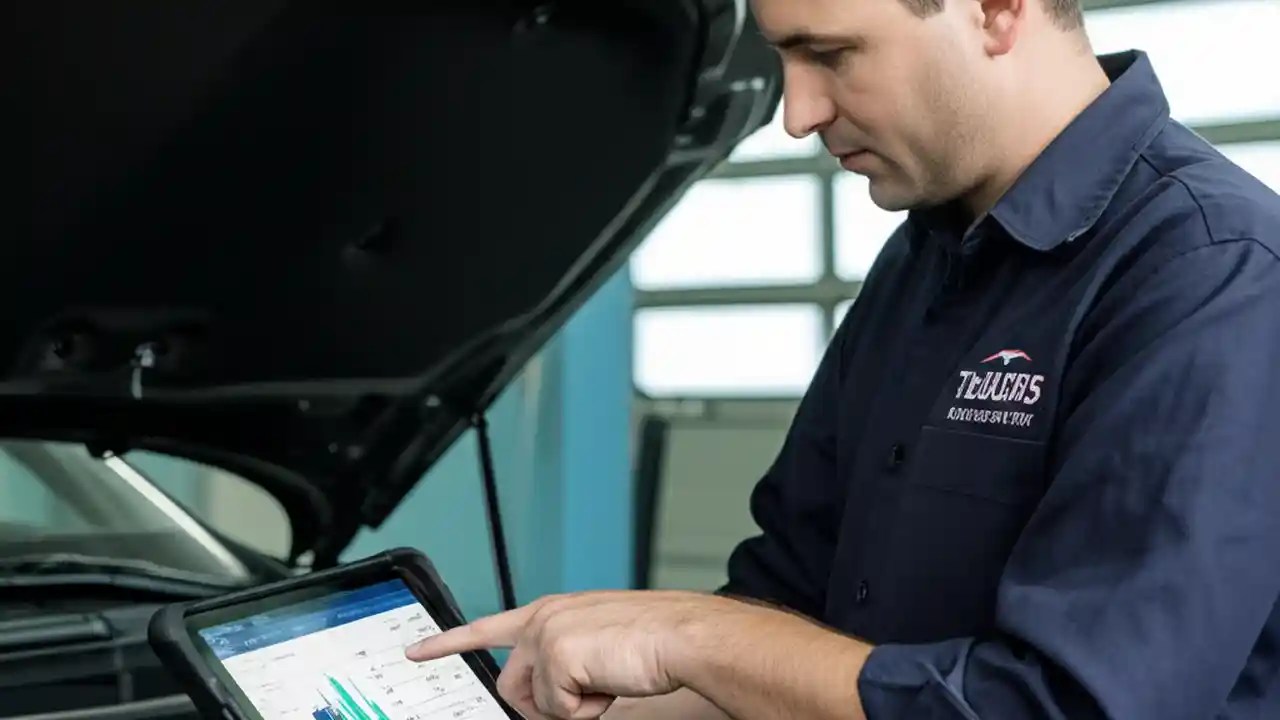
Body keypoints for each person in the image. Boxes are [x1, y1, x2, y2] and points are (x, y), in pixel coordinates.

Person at [406, 0, 1280, 716]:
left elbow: (1072, 708)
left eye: (830, 54)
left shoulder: (1214, 276)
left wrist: (690, 636)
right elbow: (789, 610)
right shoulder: (924, 260)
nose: (797, 114)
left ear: (996, 11)